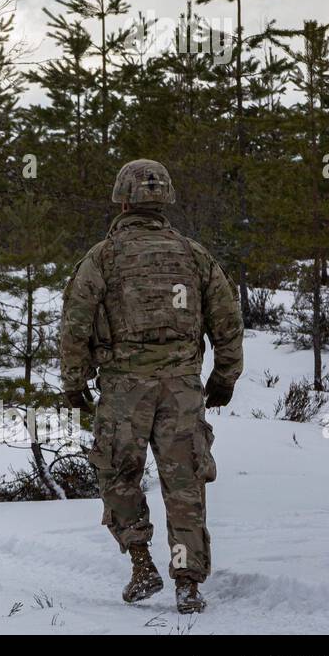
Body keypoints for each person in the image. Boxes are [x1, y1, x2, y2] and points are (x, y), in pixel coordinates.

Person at [60, 159, 243, 613]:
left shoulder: (102, 257)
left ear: (122, 200)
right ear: (166, 202)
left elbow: (75, 324)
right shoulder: (194, 255)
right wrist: (224, 376)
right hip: (181, 387)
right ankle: (187, 582)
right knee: (184, 482)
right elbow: (227, 320)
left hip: (125, 388)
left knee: (118, 474)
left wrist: (73, 383)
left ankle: (142, 565)